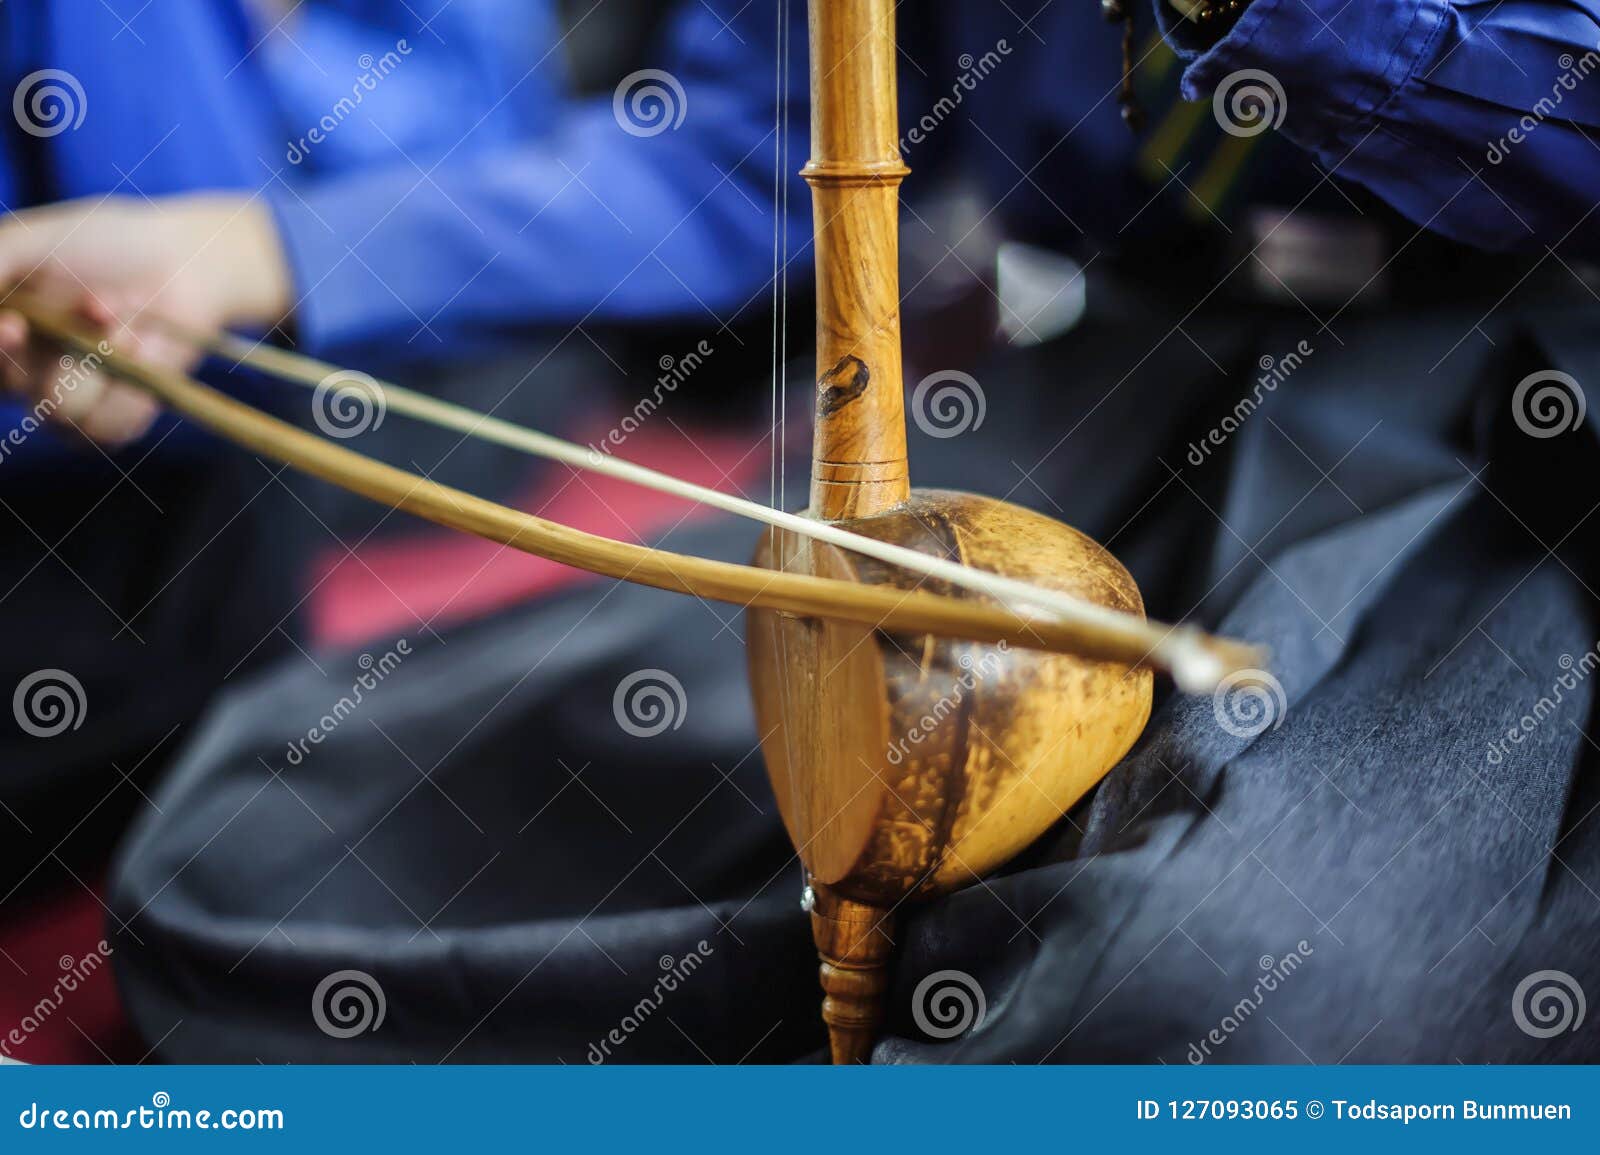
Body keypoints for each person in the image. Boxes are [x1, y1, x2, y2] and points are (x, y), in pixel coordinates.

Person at [100, 0, 1600, 1067]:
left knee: (1205, 995)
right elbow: (749, 146)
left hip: (1510, 437)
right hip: (1113, 397)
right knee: (269, 835)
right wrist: (260, 249)